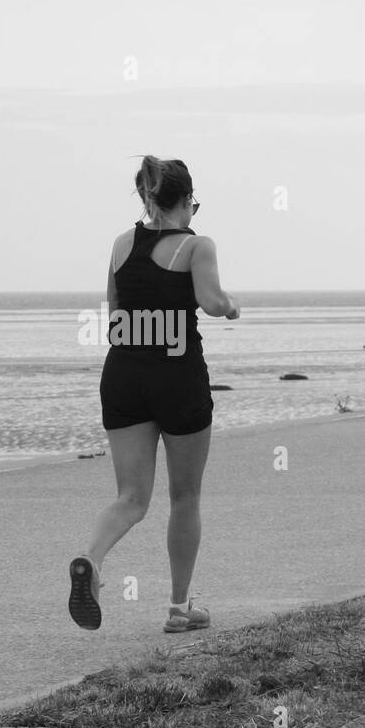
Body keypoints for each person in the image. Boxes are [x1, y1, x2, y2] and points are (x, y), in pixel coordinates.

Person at [68, 155, 240, 633]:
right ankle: (180, 609)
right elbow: (209, 301)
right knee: (185, 496)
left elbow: (115, 311)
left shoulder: (122, 245)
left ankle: (91, 559)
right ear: (185, 200)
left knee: (130, 498)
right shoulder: (196, 246)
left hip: (123, 375)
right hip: (177, 379)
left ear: (146, 198)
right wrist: (230, 307)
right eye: (194, 205)